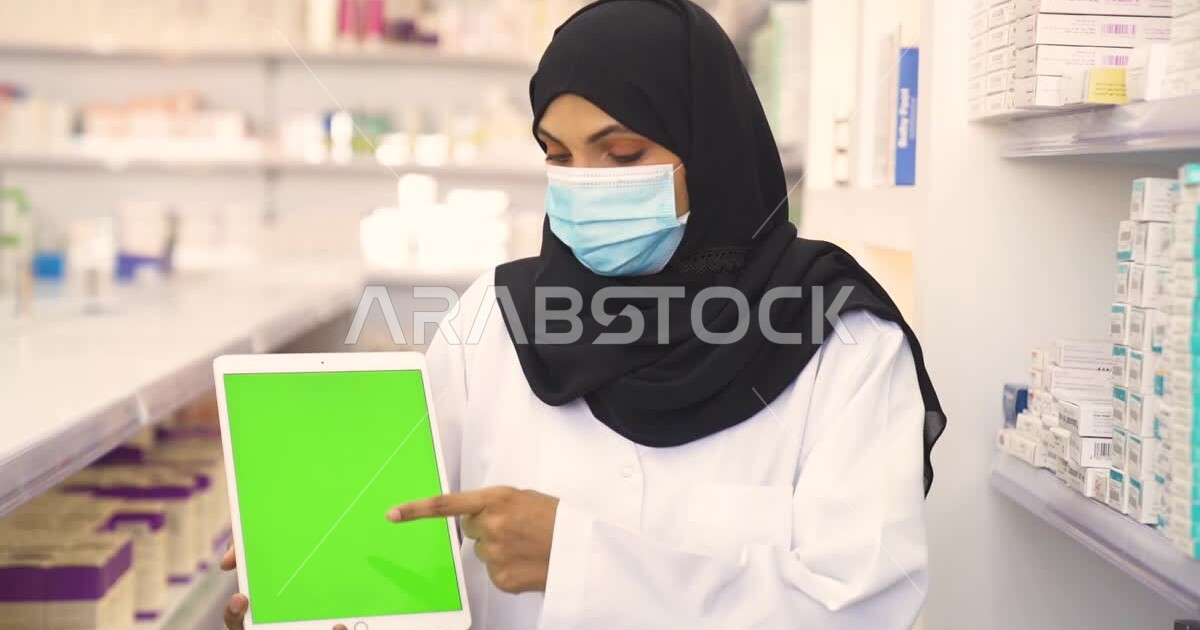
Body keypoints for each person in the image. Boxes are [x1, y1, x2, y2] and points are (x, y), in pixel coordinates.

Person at [222, 0, 946, 628]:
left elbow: (862, 606)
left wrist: (578, 560)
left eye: (621, 154)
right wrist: (322, 588)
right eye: (558, 155)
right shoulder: (492, 322)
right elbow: (413, 549)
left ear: (712, 147)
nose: (584, 186)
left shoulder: (838, 340)